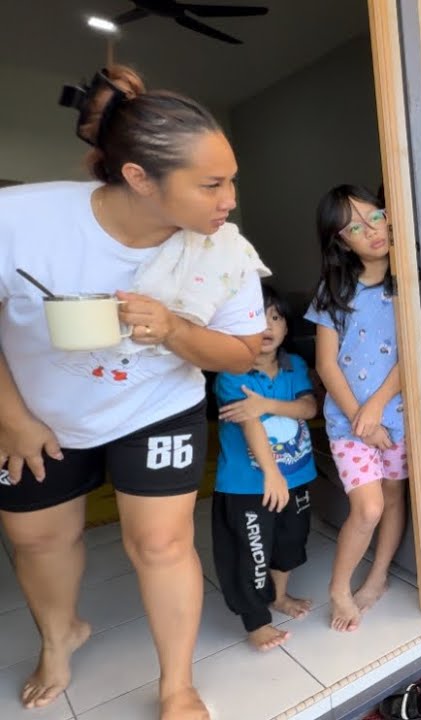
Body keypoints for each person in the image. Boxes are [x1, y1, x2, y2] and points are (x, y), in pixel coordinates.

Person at [0, 65, 269, 718]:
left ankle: (177, 684)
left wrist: (175, 328)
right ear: (139, 178)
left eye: (230, 178)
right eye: (211, 184)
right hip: (36, 411)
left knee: (162, 544)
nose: (228, 198)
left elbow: (243, 352)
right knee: (36, 540)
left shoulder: (224, 252)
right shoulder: (19, 221)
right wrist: (9, 417)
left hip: (156, 407)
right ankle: (59, 637)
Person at [305, 184, 408, 632]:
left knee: (392, 497)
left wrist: (379, 406)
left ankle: (379, 576)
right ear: (341, 240)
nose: (370, 230)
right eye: (354, 226)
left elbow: (414, 354)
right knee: (366, 509)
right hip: (347, 421)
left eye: (374, 216)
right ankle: (338, 588)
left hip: (400, 416)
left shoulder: (408, 282)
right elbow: (325, 363)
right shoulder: (334, 291)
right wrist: (360, 418)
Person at [211, 284, 318, 651]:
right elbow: (249, 422)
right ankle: (255, 620)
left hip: (297, 477)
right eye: (256, 318)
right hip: (248, 484)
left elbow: (308, 408)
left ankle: (280, 595)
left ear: (287, 327)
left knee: (289, 541)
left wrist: (266, 404)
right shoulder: (231, 374)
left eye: (276, 317)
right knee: (252, 551)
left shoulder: (296, 365)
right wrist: (272, 474)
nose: (268, 326)